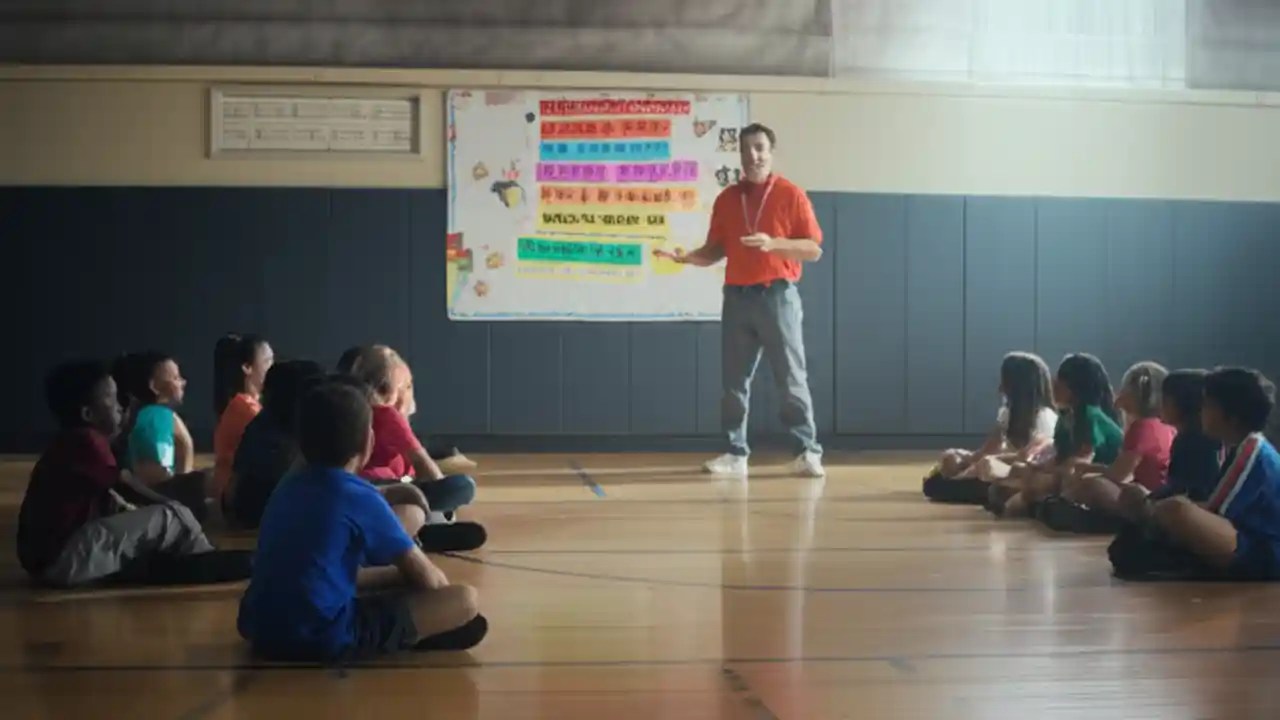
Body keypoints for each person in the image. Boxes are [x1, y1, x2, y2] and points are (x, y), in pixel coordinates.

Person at [237, 379, 487, 662]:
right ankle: (404, 636)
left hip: (258, 627)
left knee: (386, 578)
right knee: (464, 601)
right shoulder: (360, 496)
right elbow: (431, 583)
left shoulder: (285, 488)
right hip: (319, 637)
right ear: (368, 441)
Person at [654, 123, 824, 477]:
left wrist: (774, 243)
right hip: (737, 297)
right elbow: (716, 250)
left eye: (760, 148)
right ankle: (735, 453)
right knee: (733, 381)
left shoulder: (791, 195)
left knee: (791, 377)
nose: (753, 156)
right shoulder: (727, 199)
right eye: (746, 150)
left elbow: (813, 249)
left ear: (771, 152)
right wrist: (686, 258)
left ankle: (807, 450)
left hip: (778, 295)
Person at [17, 360, 249, 587]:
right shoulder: (86, 442)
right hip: (64, 560)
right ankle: (208, 559)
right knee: (171, 516)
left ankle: (200, 558)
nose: (120, 406)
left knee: (158, 527)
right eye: (110, 398)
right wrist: (172, 507)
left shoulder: (71, 443)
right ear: (88, 414)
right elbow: (125, 485)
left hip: (50, 562)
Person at [1110, 367, 1280, 580]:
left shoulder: (1251, 450)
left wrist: (1153, 511)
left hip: (1264, 553)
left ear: (1232, 416)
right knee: (1169, 508)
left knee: (1176, 509)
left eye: (1208, 406)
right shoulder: (1236, 447)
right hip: (1243, 540)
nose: (1201, 412)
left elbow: (1215, 511)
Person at [1042, 362, 1177, 532]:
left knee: (1094, 484)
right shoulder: (1164, 427)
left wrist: (1090, 473)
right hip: (1151, 494)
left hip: (1146, 498)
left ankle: (1063, 505)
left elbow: (1119, 474)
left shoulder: (1142, 427)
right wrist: (1091, 468)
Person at [350, 346, 477, 523]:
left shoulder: (347, 409)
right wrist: (440, 492)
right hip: (380, 488)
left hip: (347, 491)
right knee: (461, 486)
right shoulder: (387, 416)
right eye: (407, 386)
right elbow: (424, 464)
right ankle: (423, 527)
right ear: (388, 391)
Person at [923, 351, 1057, 503]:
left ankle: (960, 486)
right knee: (951, 458)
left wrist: (975, 467)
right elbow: (988, 449)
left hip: (1018, 472)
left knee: (942, 483)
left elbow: (1028, 458)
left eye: (1005, 382)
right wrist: (960, 460)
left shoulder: (1045, 418)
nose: (1000, 388)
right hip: (995, 467)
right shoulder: (1007, 413)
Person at [212, 333, 274, 504]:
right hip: (235, 500)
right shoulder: (245, 408)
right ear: (247, 367)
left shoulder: (245, 404)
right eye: (268, 361)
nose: (273, 367)